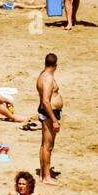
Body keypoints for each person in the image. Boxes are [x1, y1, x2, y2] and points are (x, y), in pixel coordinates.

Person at [36, 52, 62, 184]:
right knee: (48, 146)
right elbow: (46, 101)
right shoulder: (48, 78)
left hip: (46, 112)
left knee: (44, 145)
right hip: (49, 113)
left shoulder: (42, 75)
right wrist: (54, 120)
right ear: (55, 65)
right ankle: (47, 177)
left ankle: (42, 173)